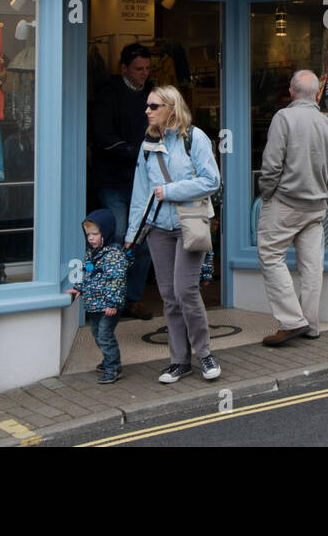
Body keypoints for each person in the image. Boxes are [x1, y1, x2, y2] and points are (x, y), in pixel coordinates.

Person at [124, 85, 222, 383]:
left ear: (171, 108)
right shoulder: (148, 144)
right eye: (148, 106)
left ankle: (204, 353)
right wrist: (132, 233)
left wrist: (169, 191)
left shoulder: (194, 138)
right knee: (168, 296)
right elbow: (140, 192)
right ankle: (179, 360)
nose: (147, 111)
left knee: (185, 291)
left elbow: (212, 180)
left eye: (154, 106)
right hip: (158, 228)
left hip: (188, 223)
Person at [257, 69, 328, 346]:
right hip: (316, 205)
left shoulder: (283, 117)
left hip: (286, 202)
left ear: (292, 93)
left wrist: (267, 194)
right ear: (317, 94)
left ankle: (292, 321)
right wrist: (325, 198)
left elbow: (271, 165)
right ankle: (311, 325)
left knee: (270, 255)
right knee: (312, 266)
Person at [92, 43, 154, 320]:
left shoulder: (153, 94)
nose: (144, 73)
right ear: (124, 68)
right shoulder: (108, 93)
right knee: (117, 238)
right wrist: (133, 152)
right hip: (112, 180)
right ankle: (109, 297)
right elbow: (102, 136)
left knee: (144, 241)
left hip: (143, 181)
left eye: (147, 68)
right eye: (139, 68)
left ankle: (132, 299)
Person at [65, 209, 128, 384]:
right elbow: (88, 273)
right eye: (88, 234)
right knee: (96, 333)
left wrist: (112, 303)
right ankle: (109, 359)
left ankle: (114, 367)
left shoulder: (114, 255)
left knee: (105, 335)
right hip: (94, 303)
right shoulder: (92, 252)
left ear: (105, 233)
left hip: (108, 305)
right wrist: (78, 288)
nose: (91, 238)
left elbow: (117, 280)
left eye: (95, 234)